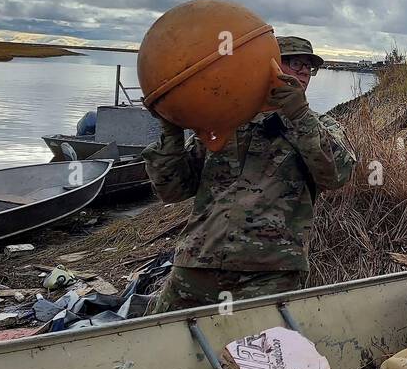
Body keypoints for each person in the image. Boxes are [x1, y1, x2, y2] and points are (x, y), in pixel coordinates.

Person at [140, 35, 357, 314]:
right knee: (163, 344)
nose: (304, 71)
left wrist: (299, 115)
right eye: (293, 62)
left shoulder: (318, 125)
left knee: (259, 354)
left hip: (270, 273)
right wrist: (170, 130)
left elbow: (336, 175)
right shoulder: (225, 120)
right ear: (264, 65)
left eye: (309, 67)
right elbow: (172, 190)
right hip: (197, 263)